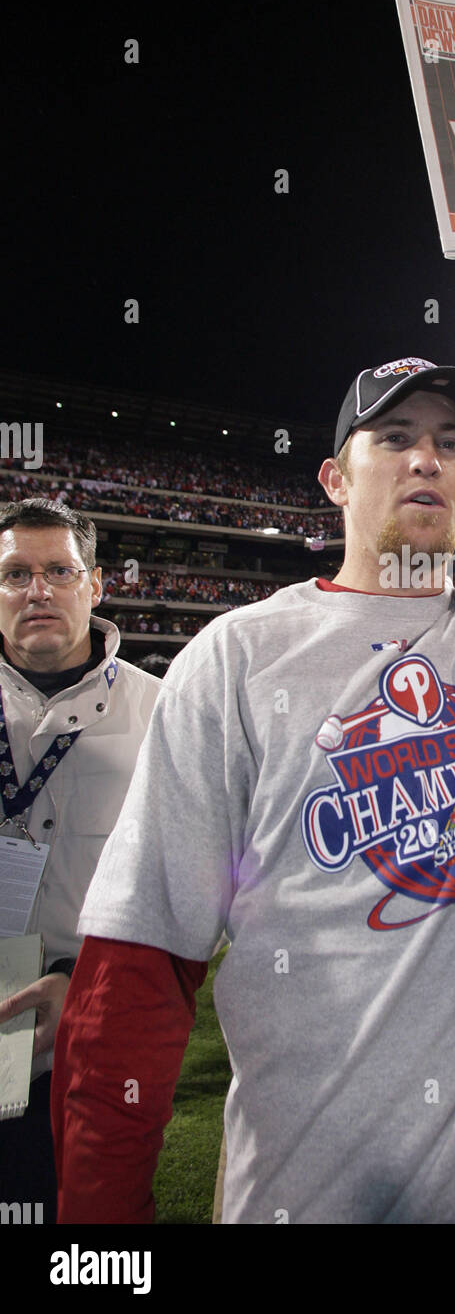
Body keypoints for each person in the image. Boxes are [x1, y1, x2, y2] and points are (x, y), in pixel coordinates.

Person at [52, 59, 455, 1224]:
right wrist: (99, 1235)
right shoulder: (237, 658)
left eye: (450, 442)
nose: (425, 458)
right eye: (394, 436)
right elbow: (138, 970)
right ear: (331, 476)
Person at [0, 498, 160, 1221]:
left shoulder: (164, 714)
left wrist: (90, 986)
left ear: (95, 585)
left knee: (95, 1250)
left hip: (93, 1049)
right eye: (15, 574)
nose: (37, 590)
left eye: (59, 571)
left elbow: (203, 893)